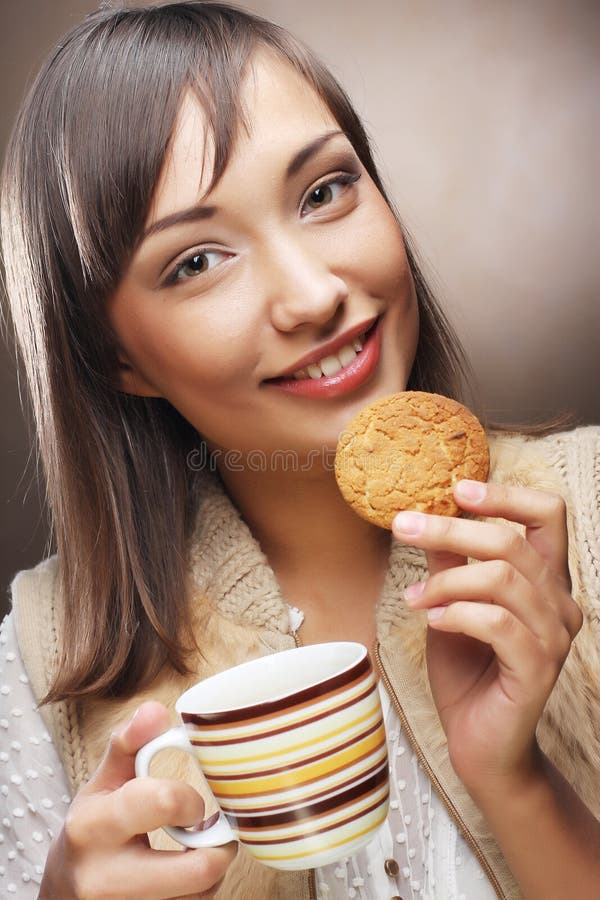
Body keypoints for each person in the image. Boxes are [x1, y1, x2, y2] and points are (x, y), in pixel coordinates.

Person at [0, 3, 598, 898]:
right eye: (196, 261)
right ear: (119, 359)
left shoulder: (591, 513)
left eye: (324, 192)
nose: (314, 295)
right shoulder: (37, 664)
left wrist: (517, 783)